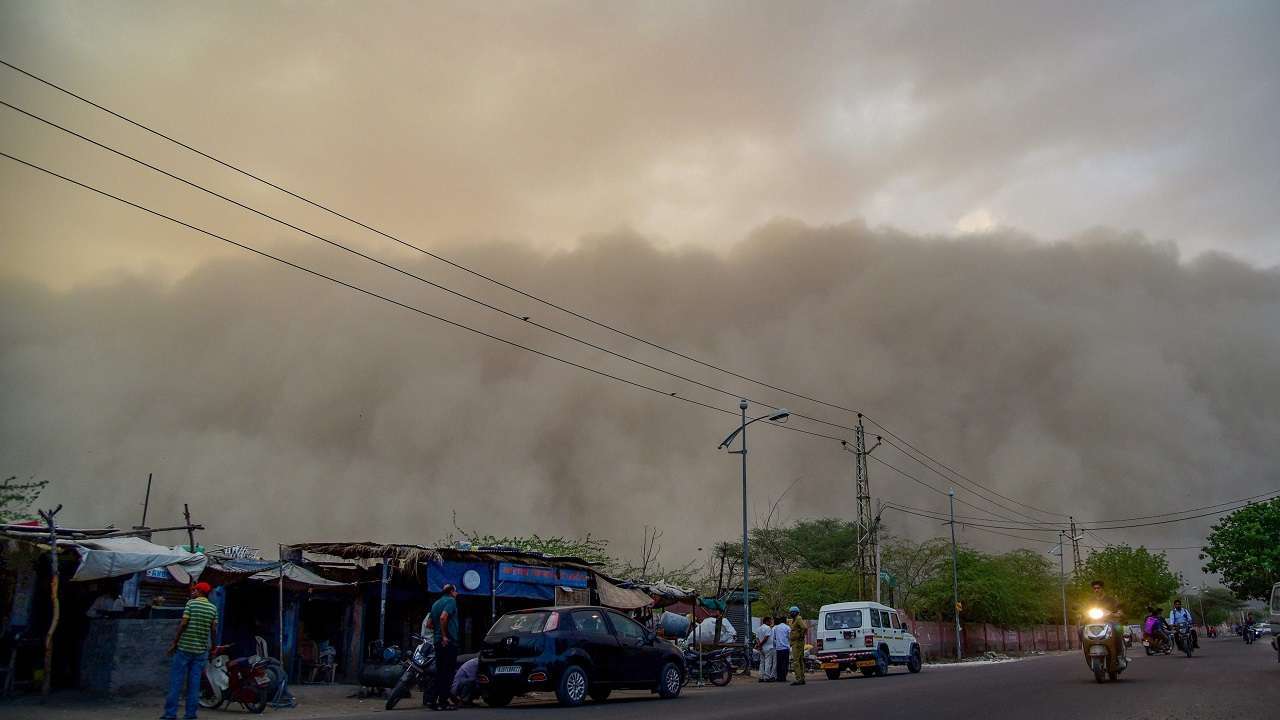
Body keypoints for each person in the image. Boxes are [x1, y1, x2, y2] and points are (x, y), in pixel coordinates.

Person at [163, 582, 218, 720]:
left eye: (195, 590)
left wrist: (175, 642)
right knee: (194, 685)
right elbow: (213, 630)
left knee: (176, 682)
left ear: (199, 591)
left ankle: (170, 714)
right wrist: (214, 647)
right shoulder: (213, 608)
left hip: (184, 649)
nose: (193, 592)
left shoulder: (191, 604)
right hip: (200, 651)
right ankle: (190, 715)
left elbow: (183, 624)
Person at [423, 584, 460, 711]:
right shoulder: (451, 601)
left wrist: (438, 633)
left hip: (438, 642)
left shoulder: (436, 603)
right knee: (448, 673)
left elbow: (429, 624)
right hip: (448, 642)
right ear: (451, 591)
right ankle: (443, 701)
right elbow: (443, 617)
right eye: (456, 591)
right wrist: (444, 635)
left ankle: (433, 700)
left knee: (440, 672)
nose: (457, 593)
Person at [1089, 580, 1126, 667]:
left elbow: (1120, 612)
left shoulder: (1111, 600)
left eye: (1098, 588)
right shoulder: (1090, 601)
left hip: (1110, 622)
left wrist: (1113, 614)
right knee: (1080, 630)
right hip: (1093, 623)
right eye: (1094, 588)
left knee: (1118, 628)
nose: (1096, 590)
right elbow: (1084, 611)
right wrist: (1081, 614)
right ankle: (1086, 650)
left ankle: (1119, 656)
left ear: (1102, 589)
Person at [786, 607, 808, 686]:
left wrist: (801, 635)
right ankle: (801, 678)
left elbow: (805, 628)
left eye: (792, 612)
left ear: (795, 612)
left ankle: (798, 679)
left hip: (798, 642)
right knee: (800, 661)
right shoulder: (794, 620)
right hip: (796, 642)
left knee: (796, 661)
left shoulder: (798, 618)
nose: (790, 614)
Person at [755, 616, 775, 682]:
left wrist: (759, 645)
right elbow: (766, 637)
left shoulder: (759, 628)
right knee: (768, 662)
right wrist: (760, 644)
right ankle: (767, 677)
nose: (771, 622)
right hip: (768, 648)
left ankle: (761, 677)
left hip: (761, 648)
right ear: (766, 621)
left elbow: (757, 638)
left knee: (762, 662)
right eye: (770, 621)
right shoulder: (768, 628)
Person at [772, 616, 790, 683]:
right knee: (785, 664)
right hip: (785, 648)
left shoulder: (776, 627)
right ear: (785, 620)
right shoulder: (787, 627)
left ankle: (779, 677)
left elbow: (773, 638)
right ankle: (783, 677)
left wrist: (776, 644)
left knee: (779, 663)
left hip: (778, 649)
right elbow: (789, 637)